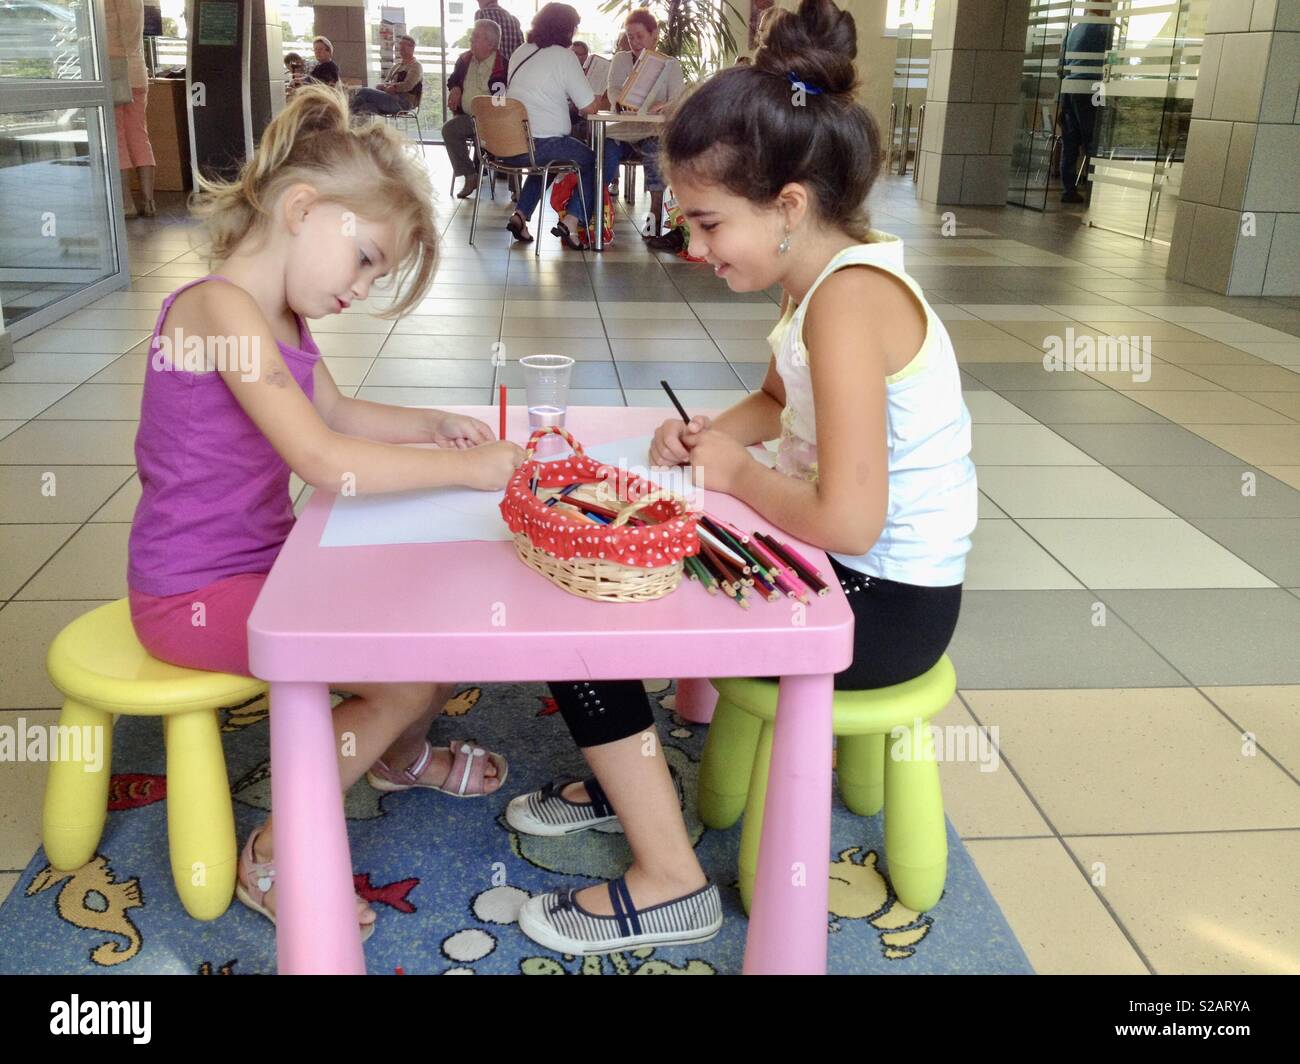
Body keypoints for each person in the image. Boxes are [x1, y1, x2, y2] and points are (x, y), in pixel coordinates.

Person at [507, 0, 976, 957]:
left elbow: (846, 517)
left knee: (580, 606)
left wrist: (734, 475)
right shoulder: (827, 284)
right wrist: (715, 435)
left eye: (709, 221)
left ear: (790, 206)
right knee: (618, 551)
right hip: (864, 579)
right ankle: (629, 775)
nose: (694, 245)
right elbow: (775, 399)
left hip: (878, 605)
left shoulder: (849, 304)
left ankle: (670, 878)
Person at [127, 86, 525, 937]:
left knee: (432, 607)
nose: (366, 287)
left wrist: (433, 426)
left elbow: (338, 414)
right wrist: (463, 474)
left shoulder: (283, 318)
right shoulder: (217, 309)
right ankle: (275, 850)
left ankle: (398, 758)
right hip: (191, 590)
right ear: (303, 210)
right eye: (368, 260)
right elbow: (321, 457)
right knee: (408, 670)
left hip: (267, 561)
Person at [499, 3, 621, 249]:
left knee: (550, 163)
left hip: (510, 144)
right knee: (596, 162)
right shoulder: (564, 56)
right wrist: (601, 95)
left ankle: (520, 215)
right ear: (567, 29)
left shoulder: (521, 51)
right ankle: (573, 219)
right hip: (544, 144)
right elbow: (588, 107)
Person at [603, 8, 685, 238]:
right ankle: (597, 207)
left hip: (651, 130)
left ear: (654, 35)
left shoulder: (671, 64)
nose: (634, 42)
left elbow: (677, 100)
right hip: (622, 130)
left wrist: (664, 106)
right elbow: (614, 90)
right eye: (630, 36)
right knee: (605, 148)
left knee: (654, 148)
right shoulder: (620, 59)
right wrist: (622, 102)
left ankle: (655, 212)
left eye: (639, 36)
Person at [443, 19, 509, 198]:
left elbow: (499, 102)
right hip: (467, 117)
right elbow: (453, 79)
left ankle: (515, 187)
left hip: (491, 121)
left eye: (476, 37)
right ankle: (470, 175)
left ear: (490, 43)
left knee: (511, 137)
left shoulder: (502, 66)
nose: (471, 39)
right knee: (449, 130)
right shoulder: (464, 60)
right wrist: (455, 87)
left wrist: (486, 114)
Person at [1057, 6, 1114, 204]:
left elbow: (1060, 66)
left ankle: (1068, 190)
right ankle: (1093, 191)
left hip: (1069, 88)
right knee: (1092, 141)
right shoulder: (1103, 29)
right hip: (1091, 89)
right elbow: (1110, 61)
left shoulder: (1073, 31)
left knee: (1070, 143)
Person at [106, 0, 156, 218]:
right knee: (139, 134)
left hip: (113, 69)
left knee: (116, 137)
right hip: (137, 68)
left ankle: (126, 203)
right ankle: (149, 201)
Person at [350, 34, 422, 116]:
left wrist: (394, 87)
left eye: (404, 46)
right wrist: (383, 86)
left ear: (412, 48)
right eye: (400, 45)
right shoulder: (397, 66)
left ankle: (343, 116)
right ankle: (348, 123)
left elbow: (408, 85)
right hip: (391, 98)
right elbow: (387, 82)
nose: (401, 48)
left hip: (403, 102)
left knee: (364, 91)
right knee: (366, 107)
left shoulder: (416, 66)